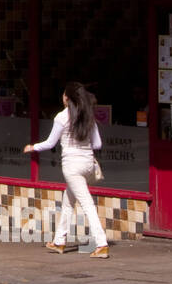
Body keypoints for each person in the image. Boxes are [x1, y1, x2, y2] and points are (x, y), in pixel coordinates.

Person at [23, 82, 110, 258]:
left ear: (67, 98)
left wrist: (33, 147)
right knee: (68, 202)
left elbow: (50, 143)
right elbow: (98, 144)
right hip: (87, 164)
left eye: (64, 94)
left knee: (87, 204)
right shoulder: (88, 116)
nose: (62, 97)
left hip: (71, 166)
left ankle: (101, 244)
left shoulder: (61, 117)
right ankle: (59, 241)